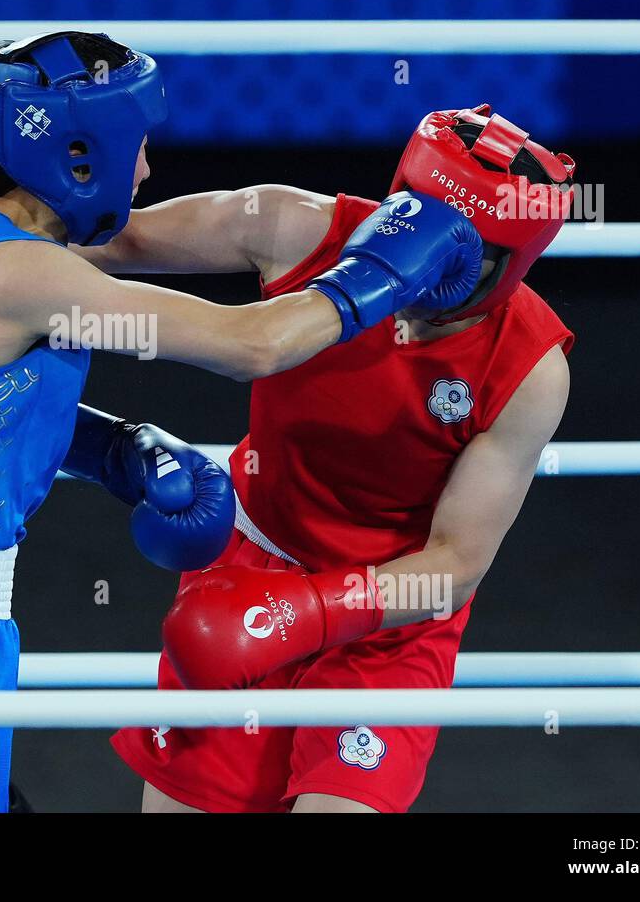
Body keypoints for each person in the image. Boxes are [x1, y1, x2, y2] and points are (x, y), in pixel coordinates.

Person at [0, 32, 485, 812]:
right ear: (76, 153)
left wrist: (109, 449)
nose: (144, 169)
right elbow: (252, 344)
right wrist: (378, 275)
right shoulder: (19, 272)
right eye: (134, 146)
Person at [97, 104, 576, 813]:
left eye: (463, 255)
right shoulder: (293, 229)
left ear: (513, 262)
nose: (428, 269)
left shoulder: (528, 370)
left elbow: (456, 563)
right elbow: (113, 244)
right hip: (250, 560)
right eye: (421, 225)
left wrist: (308, 613)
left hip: (390, 614)